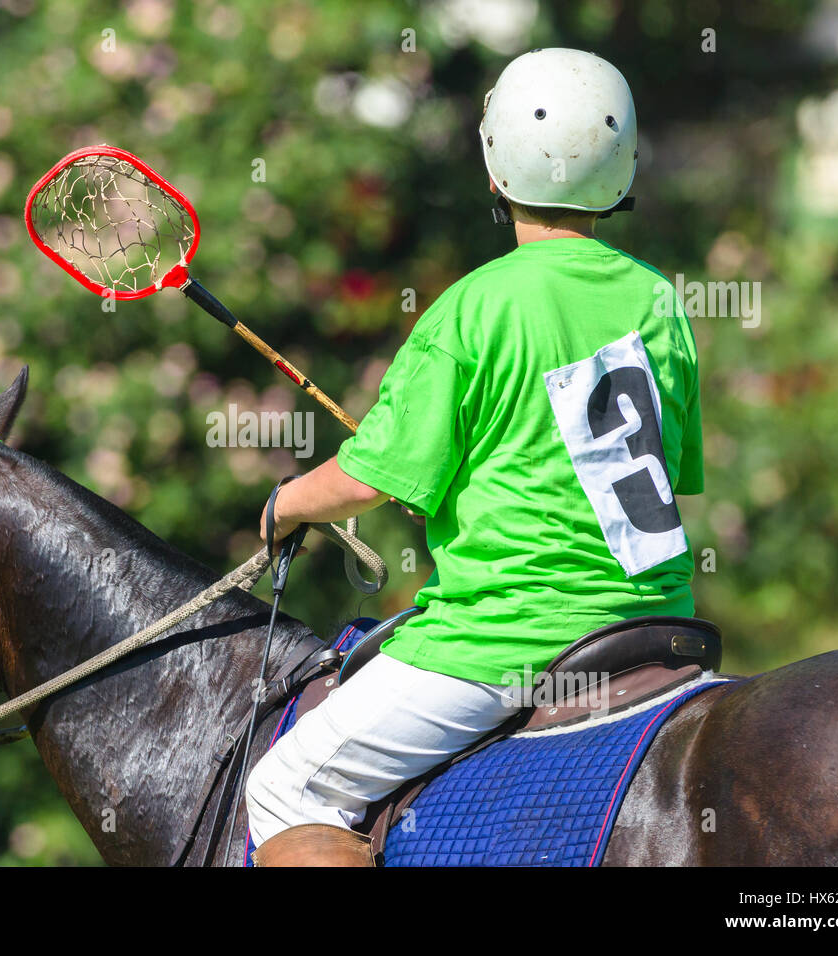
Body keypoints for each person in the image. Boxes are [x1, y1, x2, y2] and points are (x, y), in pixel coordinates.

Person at [245, 48, 704, 866]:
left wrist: (286, 504)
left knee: (283, 786)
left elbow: (361, 481)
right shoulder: (660, 301)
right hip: (658, 627)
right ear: (622, 168)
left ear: (495, 168)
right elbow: (655, 470)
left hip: (510, 641)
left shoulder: (472, 308)